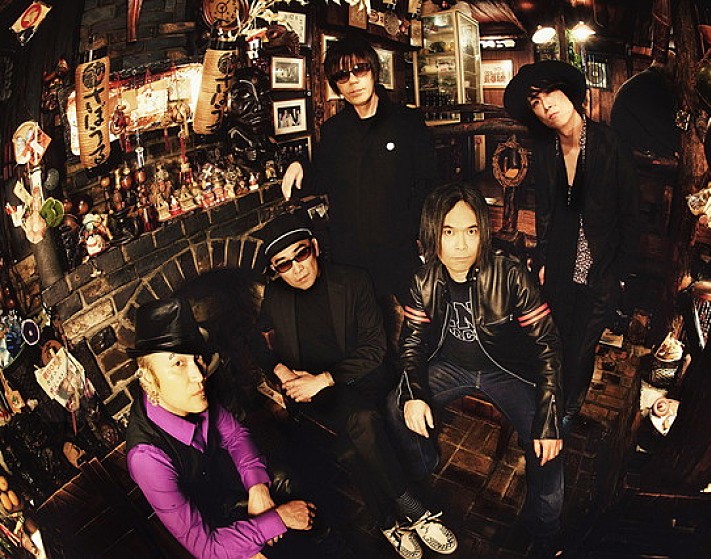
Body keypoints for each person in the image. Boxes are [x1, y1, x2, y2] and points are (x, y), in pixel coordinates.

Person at [250, 212, 457, 559]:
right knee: (360, 427)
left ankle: (392, 519)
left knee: (355, 438)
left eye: (301, 254)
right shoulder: (275, 295)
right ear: (275, 270)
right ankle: (412, 510)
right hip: (312, 395)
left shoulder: (354, 280)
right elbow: (257, 343)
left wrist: (324, 379)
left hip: (362, 381)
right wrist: (282, 372)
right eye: (284, 264)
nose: (297, 269)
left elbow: (375, 349)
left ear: (315, 247)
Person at [387, 183, 564, 557]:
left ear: (483, 232)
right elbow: (412, 343)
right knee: (396, 404)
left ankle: (546, 533)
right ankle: (424, 464)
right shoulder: (423, 280)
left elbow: (547, 345)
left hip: (506, 371)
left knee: (547, 447)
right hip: (450, 367)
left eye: (471, 231)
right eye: (449, 232)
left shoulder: (510, 275)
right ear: (433, 234)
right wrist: (415, 395)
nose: (462, 245)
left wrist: (548, 418)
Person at [280, 34, 436, 356]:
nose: (352, 81)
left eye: (359, 70)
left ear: (374, 71)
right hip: (351, 255)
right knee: (365, 338)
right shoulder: (335, 130)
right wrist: (299, 166)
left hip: (398, 249)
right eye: (342, 76)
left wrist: (421, 236)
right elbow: (321, 177)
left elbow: (429, 184)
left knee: (421, 330)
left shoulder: (407, 122)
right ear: (336, 85)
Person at [125, 297, 317, 559]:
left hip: (223, 487)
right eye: (177, 364)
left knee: (286, 478)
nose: (198, 375)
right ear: (148, 378)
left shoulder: (193, 396)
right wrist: (280, 518)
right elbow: (207, 548)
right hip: (207, 529)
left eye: (197, 358)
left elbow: (236, 436)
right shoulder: (147, 459)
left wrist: (257, 487)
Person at [504, 60, 639, 428]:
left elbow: (630, 215)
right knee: (555, 338)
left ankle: (567, 409)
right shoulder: (546, 149)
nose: (546, 105)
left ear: (568, 93)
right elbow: (546, 212)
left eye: (550, 93)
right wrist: (542, 260)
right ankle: (549, 400)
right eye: (535, 102)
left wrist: (621, 275)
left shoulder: (609, 144)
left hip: (601, 265)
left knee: (582, 347)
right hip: (561, 261)